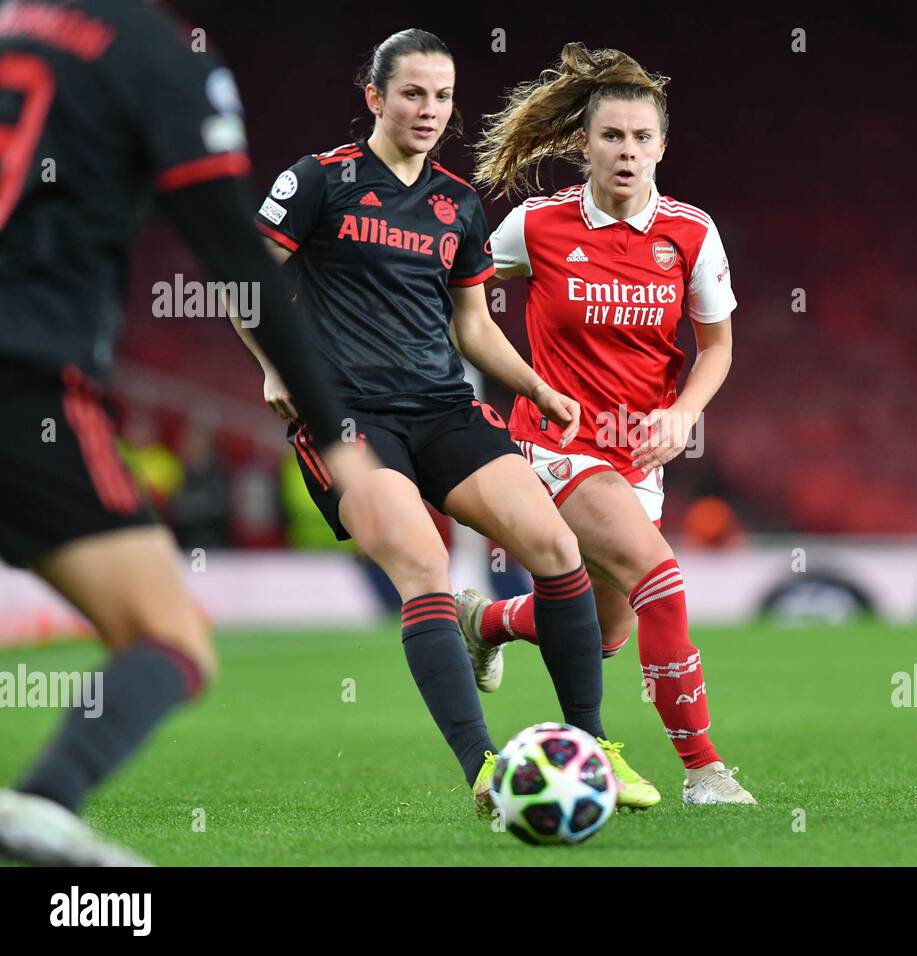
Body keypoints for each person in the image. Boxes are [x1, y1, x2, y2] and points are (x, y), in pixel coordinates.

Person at [238, 29, 659, 810]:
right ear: (375, 96)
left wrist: (537, 387)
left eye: (441, 96)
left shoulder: (456, 204)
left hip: (441, 406)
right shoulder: (320, 181)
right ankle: (485, 771)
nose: (430, 110)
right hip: (347, 417)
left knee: (557, 548)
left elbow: (471, 324)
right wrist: (273, 366)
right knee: (427, 569)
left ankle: (594, 746)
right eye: (412, 94)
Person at [0, 0, 373, 865]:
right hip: (25, 377)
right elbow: (236, 256)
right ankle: (46, 799)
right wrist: (336, 429)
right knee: (168, 638)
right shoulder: (154, 55)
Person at [462, 43, 755, 805]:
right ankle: (705, 771)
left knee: (604, 633)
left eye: (641, 138)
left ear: (662, 145)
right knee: (662, 581)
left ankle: (486, 622)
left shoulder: (690, 234)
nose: (627, 152)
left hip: (637, 455)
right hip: (552, 440)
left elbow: (716, 347)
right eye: (612, 137)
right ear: (584, 145)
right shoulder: (537, 226)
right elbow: (462, 300)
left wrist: (682, 415)